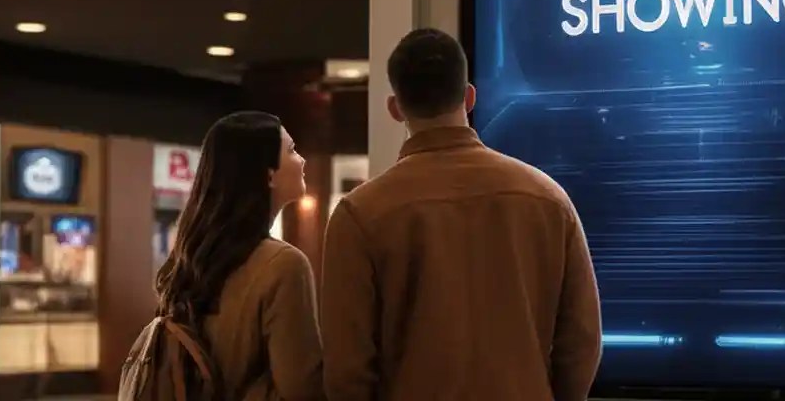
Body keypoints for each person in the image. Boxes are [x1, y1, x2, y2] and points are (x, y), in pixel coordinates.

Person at [322, 29, 602, 401]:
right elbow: (581, 342)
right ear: (469, 97)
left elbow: (347, 371)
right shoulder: (548, 199)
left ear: (395, 107)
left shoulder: (359, 214)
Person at [155, 111, 324, 400]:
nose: (302, 160)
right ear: (268, 174)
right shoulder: (284, 265)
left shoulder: (189, 259)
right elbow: (302, 390)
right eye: (292, 150)